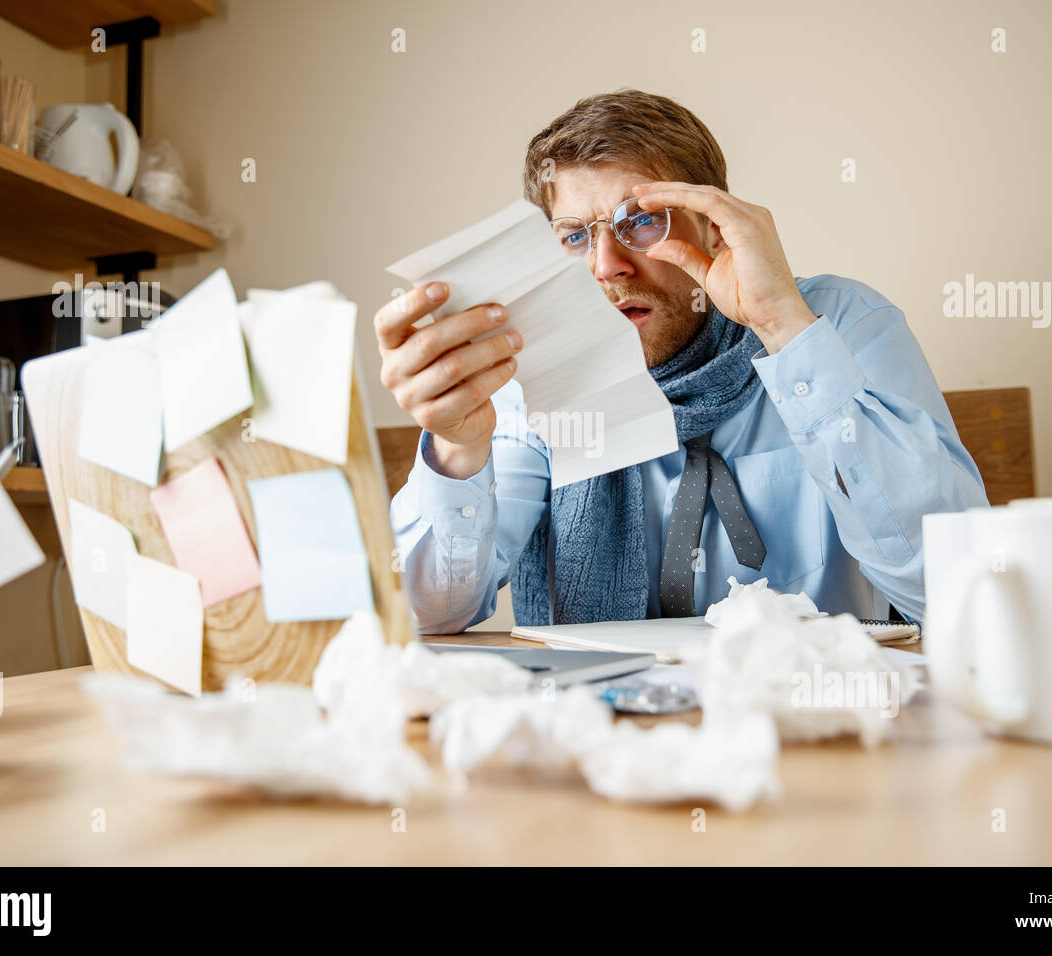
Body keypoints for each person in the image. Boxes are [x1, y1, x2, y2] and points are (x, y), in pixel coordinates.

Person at [377, 89, 987, 633]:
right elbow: (431, 610)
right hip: (606, 733)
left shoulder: (838, 326)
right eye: (574, 236)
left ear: (716, 226)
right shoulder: (530, 381)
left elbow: (957, 589)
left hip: (818, 725)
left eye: (642, 221)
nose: (607, 265)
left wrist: (784, 329)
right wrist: (457, 449)